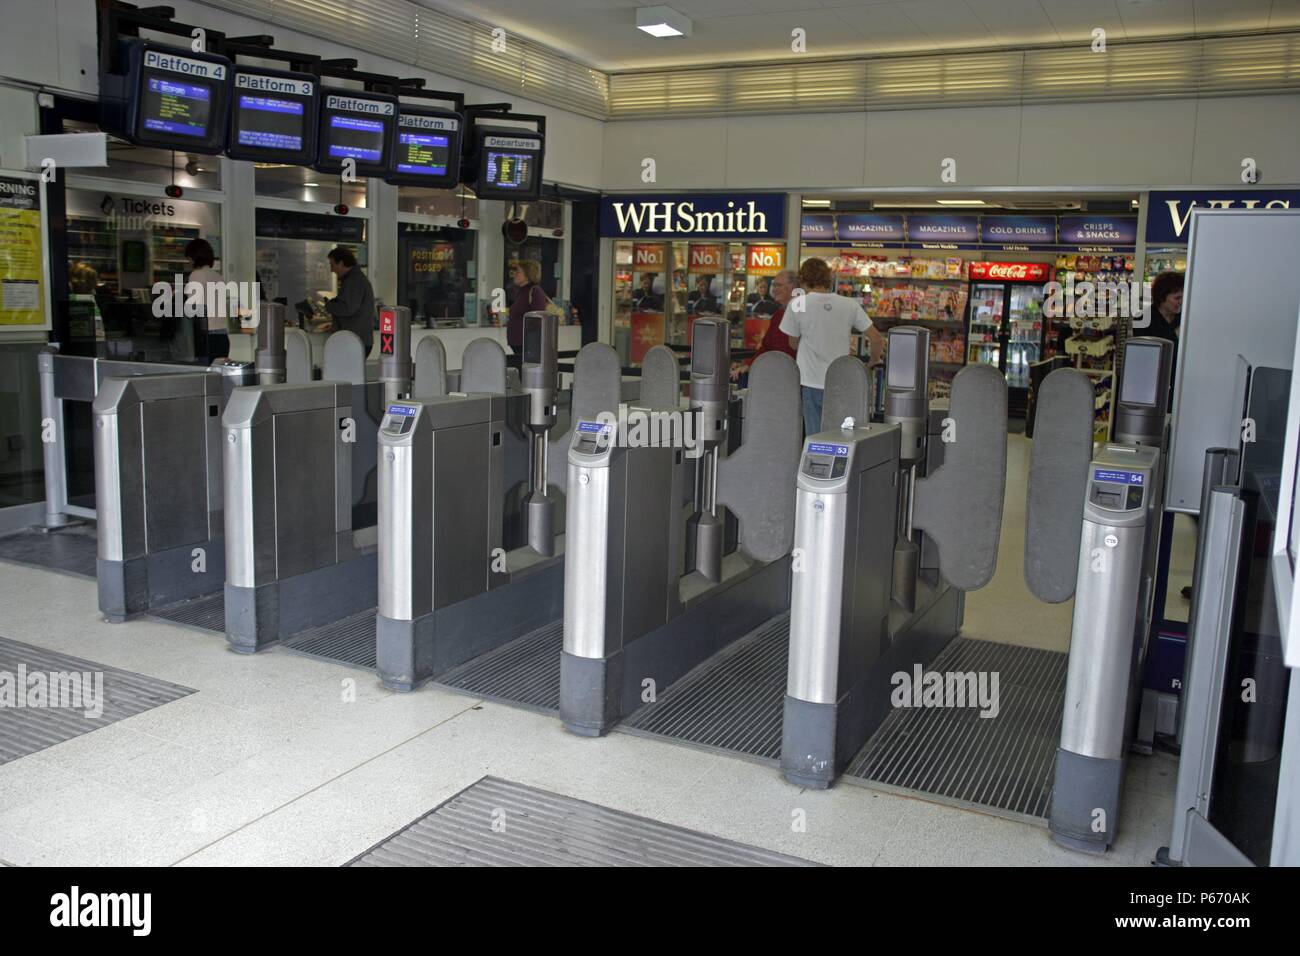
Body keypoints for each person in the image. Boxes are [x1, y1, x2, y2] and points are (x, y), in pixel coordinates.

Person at [780, 257, 884, 436]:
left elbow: (792, 343)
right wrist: (872, 362)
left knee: (814, 436)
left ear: (803, 279)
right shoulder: (849, 305)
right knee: (839, 436)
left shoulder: (797, 304)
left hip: (809, 381)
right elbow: (876, 339)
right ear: (829, 278)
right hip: (840, 382)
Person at [323, 246, 376, 355]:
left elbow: (348, 308)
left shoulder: (353, 281)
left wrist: (329, 306)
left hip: (354, 340)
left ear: (341, 263)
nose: (332, 269)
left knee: (345, 371)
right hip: (357, 339)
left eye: (332, 265)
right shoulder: (355, 279)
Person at [183, 238, 228, 360]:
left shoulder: (196, 275)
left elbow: (193, 308)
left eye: (189, 258)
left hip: (206, 336)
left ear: (194, 257)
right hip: (222, 335)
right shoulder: (219, 277)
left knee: (204, 376)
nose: (188, 262)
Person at [506, 259, 551, 361]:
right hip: (519, 343)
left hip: (528, 343)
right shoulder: (521, 292)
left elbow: (539, 318)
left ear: (528, 274)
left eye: (518, 271)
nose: (515, 274)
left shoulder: (535, 291)